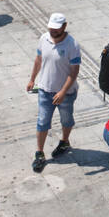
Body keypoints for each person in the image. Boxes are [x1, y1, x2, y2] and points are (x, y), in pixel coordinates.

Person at [28, 13, 81, 173]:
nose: (53, 31)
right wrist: (32, 80)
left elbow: (74, 72)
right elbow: (38, 60)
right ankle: (39, 153)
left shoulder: (72, 45)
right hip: (45, 90)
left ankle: (64, 141)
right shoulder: (44, 38)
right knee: (43, 121)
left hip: (66, 93)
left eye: (56, 29)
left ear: (64, 27)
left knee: (66, 119)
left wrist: (63, 92)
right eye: (51, 28)